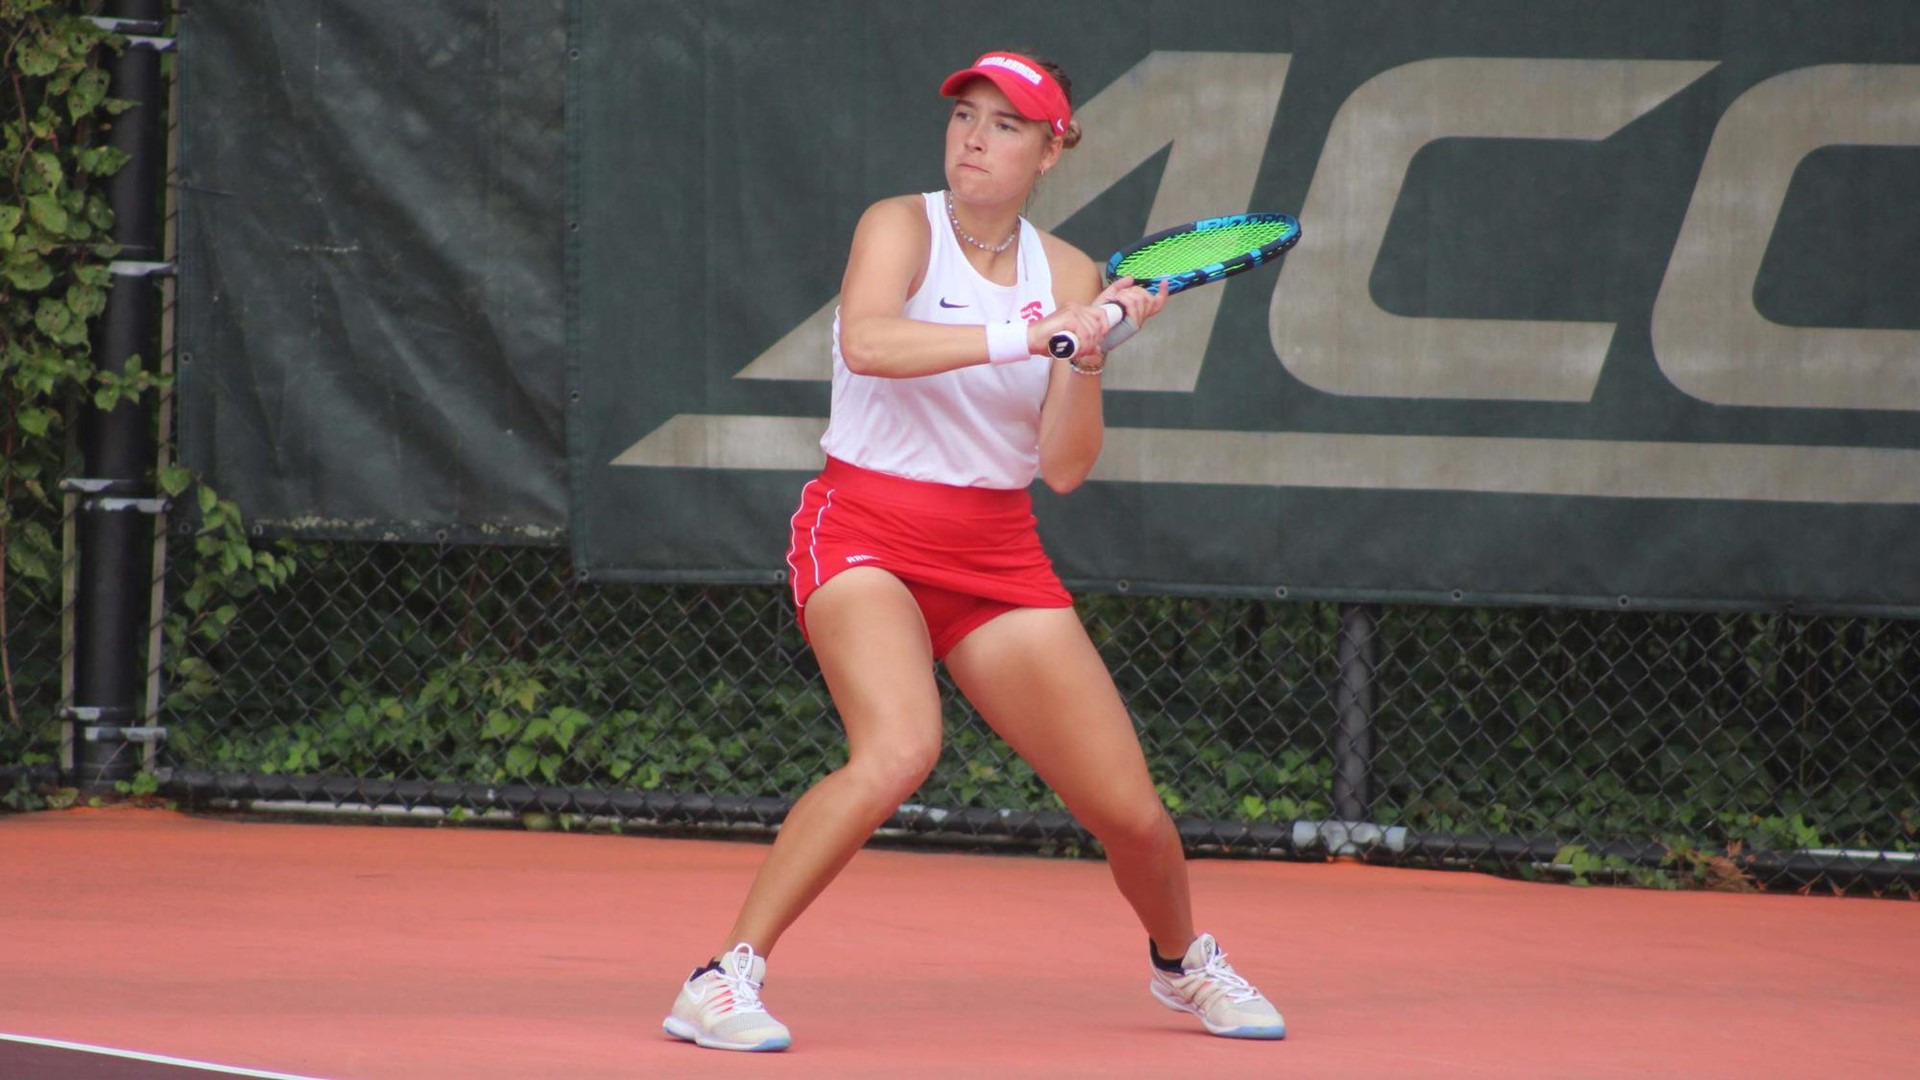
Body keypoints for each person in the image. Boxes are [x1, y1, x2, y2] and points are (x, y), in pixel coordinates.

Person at [663, 49, 1286, 1053]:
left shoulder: (1072, 275)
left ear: (1052, 150)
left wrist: (1086, 354)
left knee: (1130, 813)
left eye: (1005, 125)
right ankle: (721, 977)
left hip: (997, 555)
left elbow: (1064, 468)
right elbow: (869, 343)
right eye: (965, 117)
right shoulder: (899, 226)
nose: (975, 139)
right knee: (900, 748)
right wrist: (1027, 337)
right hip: (863, 531)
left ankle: (1183, 964)